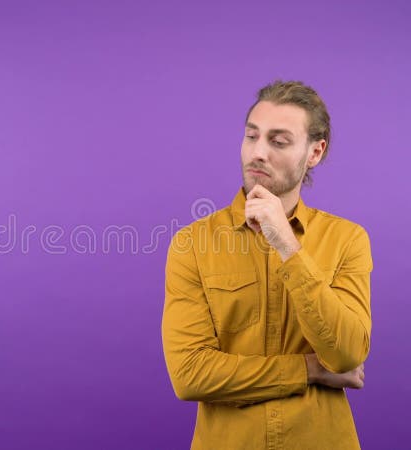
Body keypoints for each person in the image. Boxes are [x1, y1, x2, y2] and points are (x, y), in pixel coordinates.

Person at [161, 80, 373, 449]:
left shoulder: (348, 239)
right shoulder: (192, 244)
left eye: (279, 141)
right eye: (251, 136)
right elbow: (190, 374)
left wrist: (288, 245)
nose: (257, 152)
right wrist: (310, 370)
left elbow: (346, 355)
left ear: (314, 152)